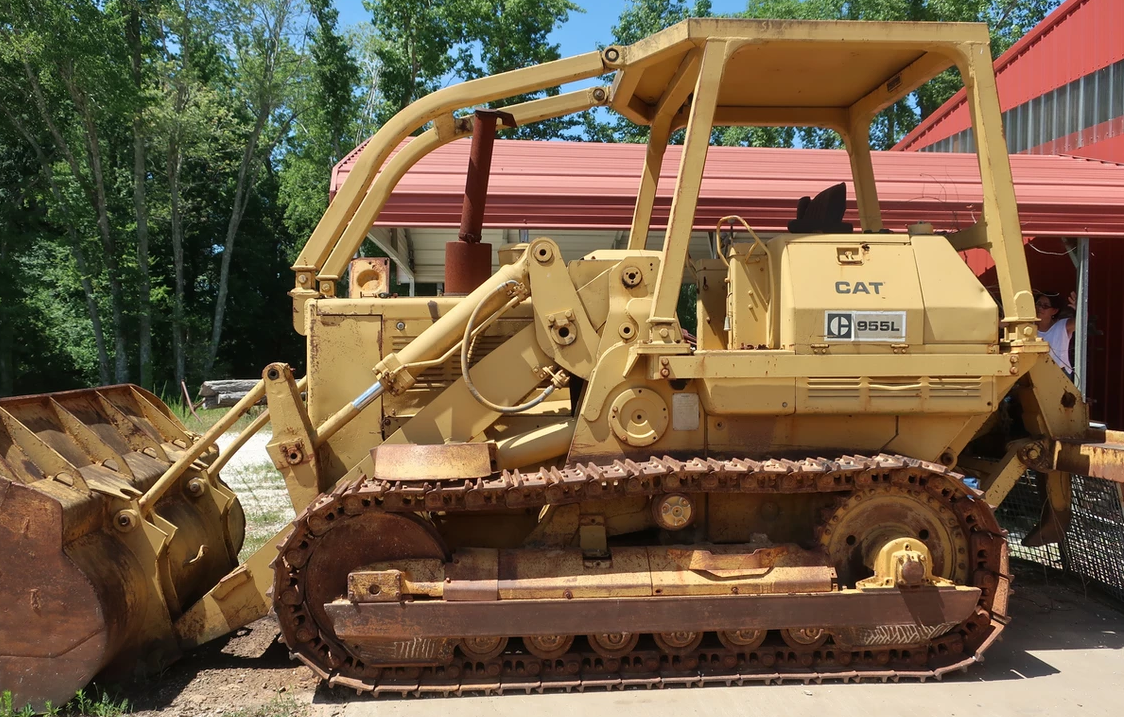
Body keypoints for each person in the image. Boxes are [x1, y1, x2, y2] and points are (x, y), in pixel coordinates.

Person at [1035, 290, 1076, 376]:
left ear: (1054, 311)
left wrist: (1079, 310)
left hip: (1060, 375)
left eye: (1045, 306)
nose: (1040, 308)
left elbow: (1081, 323)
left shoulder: (1062, 326)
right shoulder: (1027, 328)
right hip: (1036, 374)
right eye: (1038, 304)